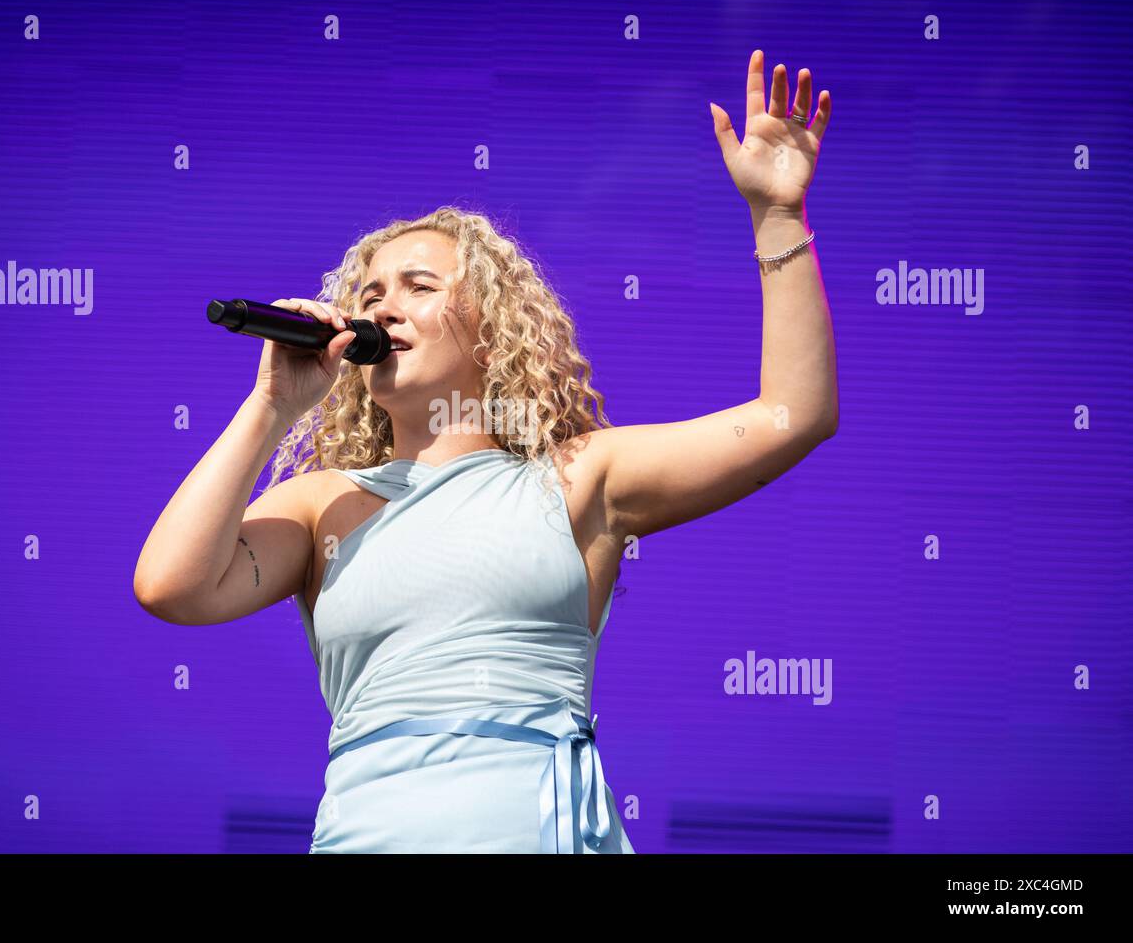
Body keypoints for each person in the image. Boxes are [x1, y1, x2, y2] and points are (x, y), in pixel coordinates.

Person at [133, 49, 837, 853]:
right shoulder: (320, 502)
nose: (382, 304)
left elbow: (795, 415)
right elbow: (171, 588)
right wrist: (271, 407)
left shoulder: (580, 479)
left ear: (491, 331)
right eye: (368, 295)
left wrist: (778, 217)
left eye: (418, 287)